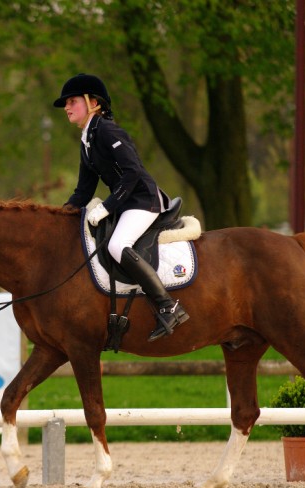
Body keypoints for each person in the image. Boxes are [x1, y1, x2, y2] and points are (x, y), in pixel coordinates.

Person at [54, 73, 189, 341]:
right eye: (66, 103)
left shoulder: (108, 131)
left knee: (117, 245)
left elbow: (132, 173)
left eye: (72, 101)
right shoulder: (87, 140)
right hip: (125, 204)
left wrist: (107, 206)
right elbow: (83, 190)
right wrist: (59, 217)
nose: (67, 107)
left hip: (143, 200)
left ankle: (168, 305)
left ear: (94, 103)